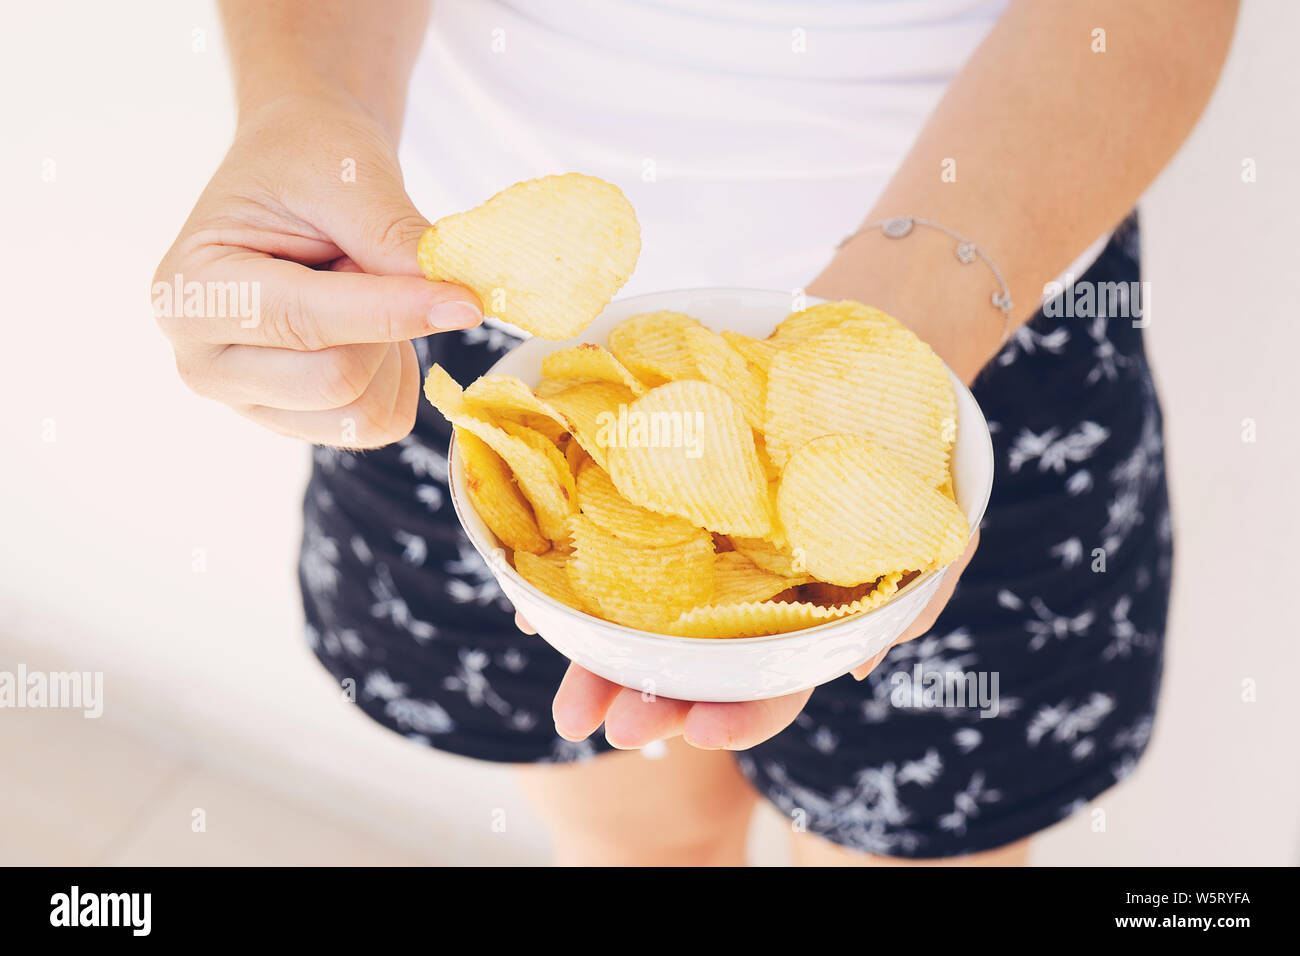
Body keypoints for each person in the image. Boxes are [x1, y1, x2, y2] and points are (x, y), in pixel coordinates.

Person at [154, 0, 1238, 866]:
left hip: (978, 305)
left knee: (923, 854)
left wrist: (904, 327)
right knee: (640, 834)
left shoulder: (919, 392)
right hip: (477, 341)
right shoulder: (501, 420)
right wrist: (306, 109)